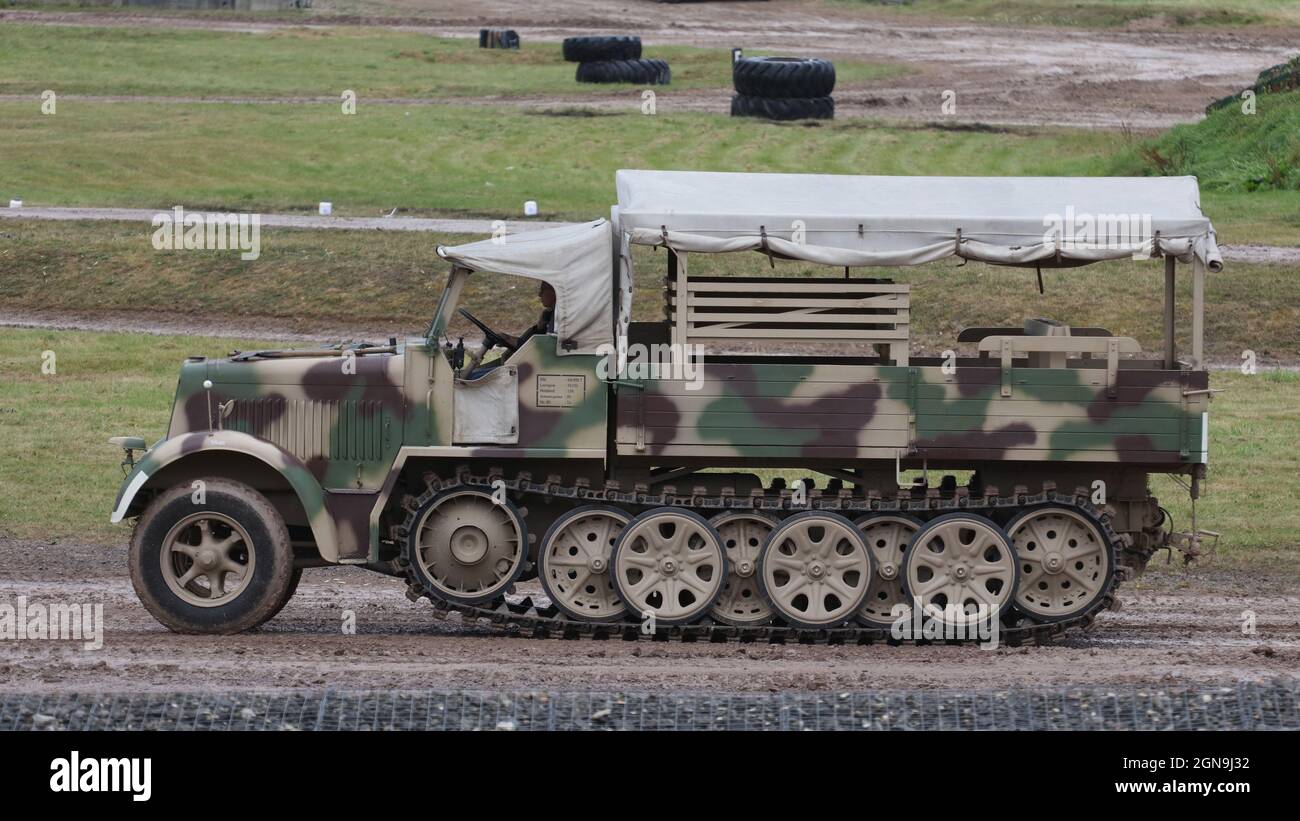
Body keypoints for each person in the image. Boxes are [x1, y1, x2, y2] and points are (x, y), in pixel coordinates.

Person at [499, 281, 556, 350]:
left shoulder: (560, 319)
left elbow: (544, 350)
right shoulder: (552, 314)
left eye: (543, 290)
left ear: (555, 291)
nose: (539, 294)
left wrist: (508, 339)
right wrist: (539, 328)